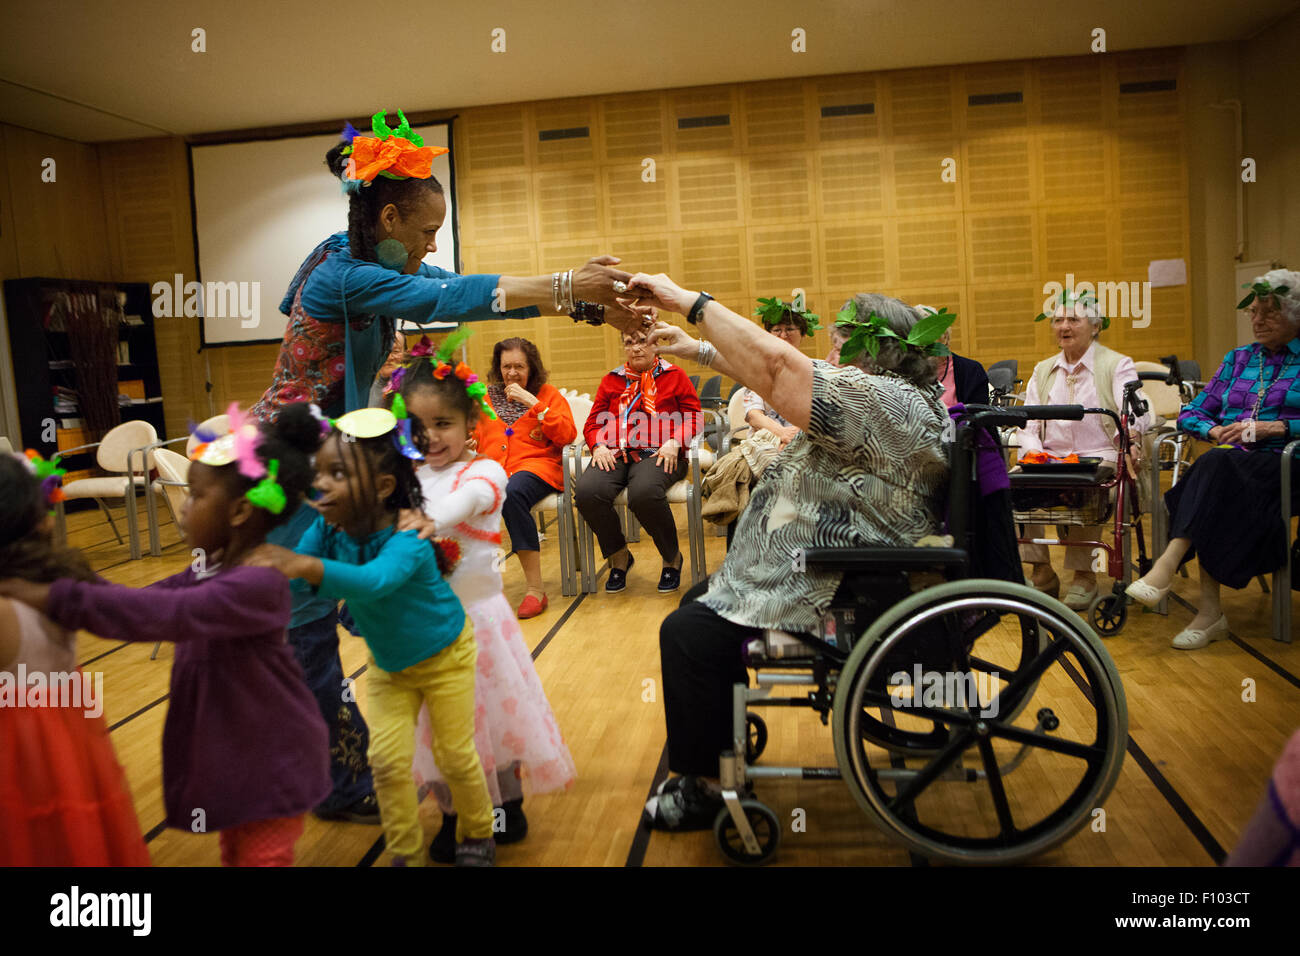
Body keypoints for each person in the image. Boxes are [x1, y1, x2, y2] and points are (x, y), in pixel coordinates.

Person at [248, 109, 642, 823]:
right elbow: (441, 296)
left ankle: (391, 748)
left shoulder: (349, 253)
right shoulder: (344, 275)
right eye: (426, 233)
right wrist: (561, 285)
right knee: (309, 627)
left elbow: (444, 285)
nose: (432, 247)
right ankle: (337, 782)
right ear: (390, 215)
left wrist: (584, 309)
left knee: (365, 601)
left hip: (335, 455)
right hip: (292, 460)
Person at [630, 277, 951, 830]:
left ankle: (706, 787)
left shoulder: (885, 404)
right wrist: (699, 350)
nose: (828, 357)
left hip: (837, 589)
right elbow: (780, 381)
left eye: (841, 343)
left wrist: (690, 303)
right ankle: (718, 749)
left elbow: (781, 372)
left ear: (876, 352)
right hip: (813, 571)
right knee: (698, 605)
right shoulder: (893, 399)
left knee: (687, 634)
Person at [2, 406, 331, 866]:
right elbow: (137, 599)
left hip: (273, 758)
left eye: (195, 495)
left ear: (238, 511)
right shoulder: (211, 565)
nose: (182, 506)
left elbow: (161, 614)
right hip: (238, 754)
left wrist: (53, 594)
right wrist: (57, 575)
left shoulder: (259, 580)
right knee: (237, 854)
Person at [247, 404, 497, 867]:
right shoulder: (326, 529)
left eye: (336, 473)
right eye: (319, 471)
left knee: (455, 756)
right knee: (384, 762)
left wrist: (302, 565)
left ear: (383, 486)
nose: (320, 482)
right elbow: (299, 580)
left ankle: (478, 834)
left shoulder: (406, 536)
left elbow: (374, 582)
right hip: (390, 667)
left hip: (446, 658)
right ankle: (404, 850)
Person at [392, 341, 576, 862]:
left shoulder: (486, 473)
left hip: (479, 626)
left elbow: (465, 503)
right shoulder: (402, 482)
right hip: (425, 630)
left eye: (444, 423)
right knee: (442, 730)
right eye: (417, 426)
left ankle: (505, 805)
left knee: (493, 718)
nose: (430, 437)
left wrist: (428, 518)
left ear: (471, 419)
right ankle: (455, 814)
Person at [1127, 269, 1300, 649]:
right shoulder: (1239, 359)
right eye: (1252, 312)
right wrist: (1214, 431)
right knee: (1217, 470)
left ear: (1295, 315)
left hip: (1288, 464)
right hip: (1233, 463)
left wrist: (1279, 428)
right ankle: (1205, 609)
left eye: (1268, 313)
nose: (1256, 320)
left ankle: (1173, 573)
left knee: (1212, 471)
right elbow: (1192, 412)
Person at [0, 452, 151, 866]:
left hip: (21, 756)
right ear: (42, 521)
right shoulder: (56, 575)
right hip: (66, 745)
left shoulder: (8, 605)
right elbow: (136, 609)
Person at [1015, 296, 1150, 609]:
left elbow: (1136, 412)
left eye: (1073, 320)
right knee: (1013, 484)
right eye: (1057, 320)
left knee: (1089, 486)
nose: (1063, 326)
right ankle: (1041, 569)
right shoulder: (1044, 369)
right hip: (1050, 457)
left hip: (1099, 453)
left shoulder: (1116, 365)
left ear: (1096, 326)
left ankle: (1084, 576)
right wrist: (1033, 452)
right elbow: (1028, 423)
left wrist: (1132, 437)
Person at [575, 322, 703, 593]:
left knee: (643, 493)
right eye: (629, 342)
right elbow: (592, 424)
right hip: (616, 452)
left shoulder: (675, 375)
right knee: (587, 492)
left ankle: (671, 559)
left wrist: (674, 441)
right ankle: (619, 556)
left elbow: (694, 417)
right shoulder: (612, 379)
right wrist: (597, 446)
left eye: (642, 340)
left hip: (660, 452)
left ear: (655, 343)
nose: (636, 347)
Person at [473, 337, 577, 618]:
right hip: (492, 471)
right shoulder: (484, 397)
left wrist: (535, 404)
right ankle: (474, 587)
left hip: (537, 468)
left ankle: (535, 590)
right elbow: (471, 434)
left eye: (519, 366)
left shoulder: (547, 394)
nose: (512, 373)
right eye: (506, 366)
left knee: (513, 493)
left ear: (532, 368)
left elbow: (567, 435)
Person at [740, 298, 820, 448]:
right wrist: (782, 433)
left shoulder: (815, 371)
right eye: (777, 330)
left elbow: (819, 416)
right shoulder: (757, 370)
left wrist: (796, 436)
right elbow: (754, 416)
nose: (783, 336)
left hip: (803, 441)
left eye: (790, 329)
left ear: (803, 334)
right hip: (765, 441)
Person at [915, 306, 989, 408]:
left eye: (929, 335)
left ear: (944, 337)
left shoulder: (971, 371)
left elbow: (979, 417)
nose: (922, 344)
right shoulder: (904, 374)